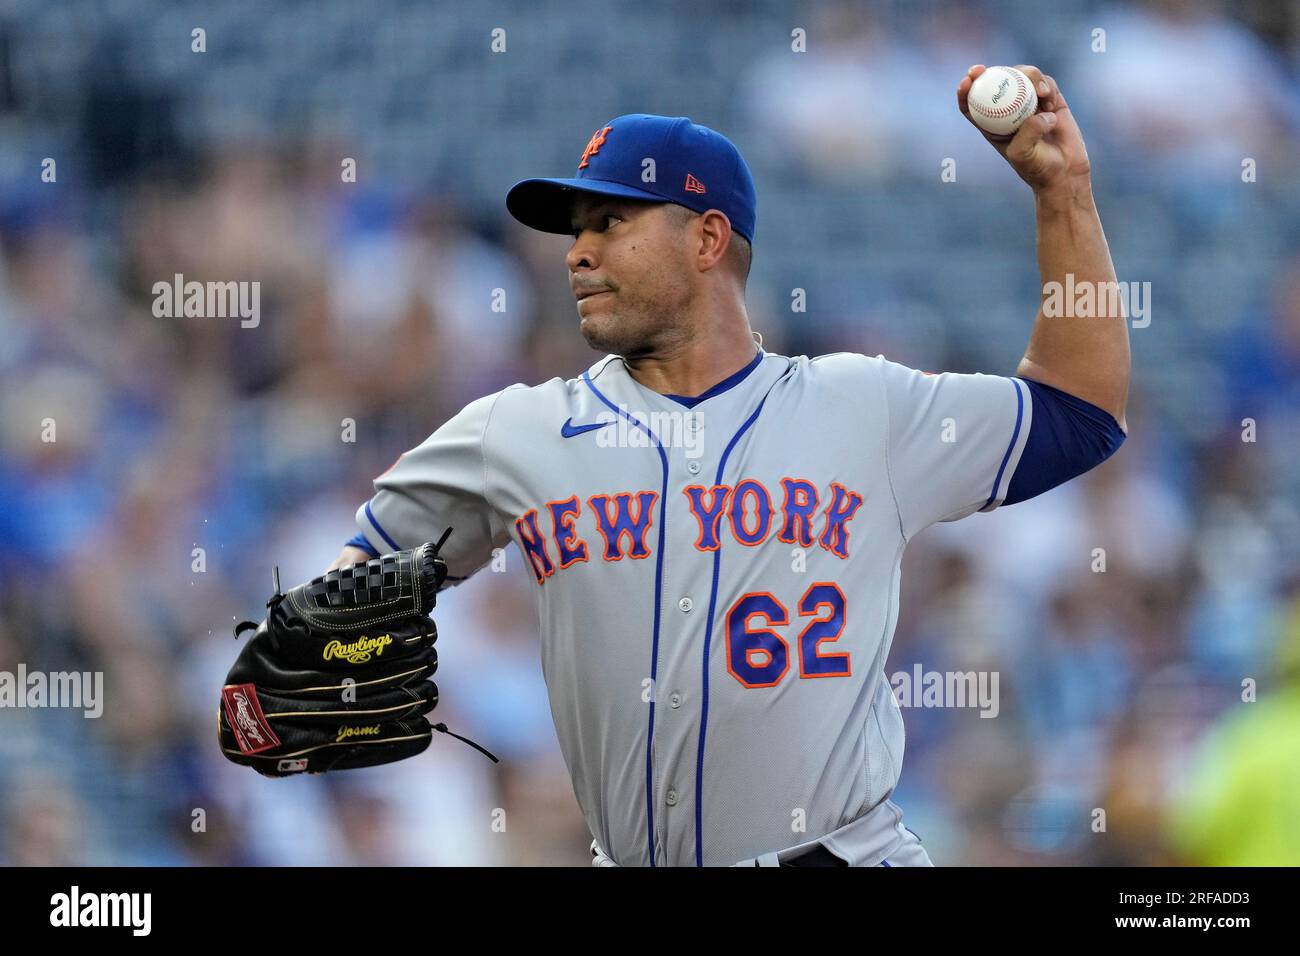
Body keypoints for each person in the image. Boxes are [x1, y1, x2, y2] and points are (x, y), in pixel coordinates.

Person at [331, 65, 1130, 866]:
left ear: (708, 239)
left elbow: (1080, 411)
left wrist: (1063, 196)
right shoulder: (516, 432)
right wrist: (318, 659)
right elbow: (348, 593)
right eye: (576, 229)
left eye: (610, 221)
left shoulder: (861, 407)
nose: (577, 253)